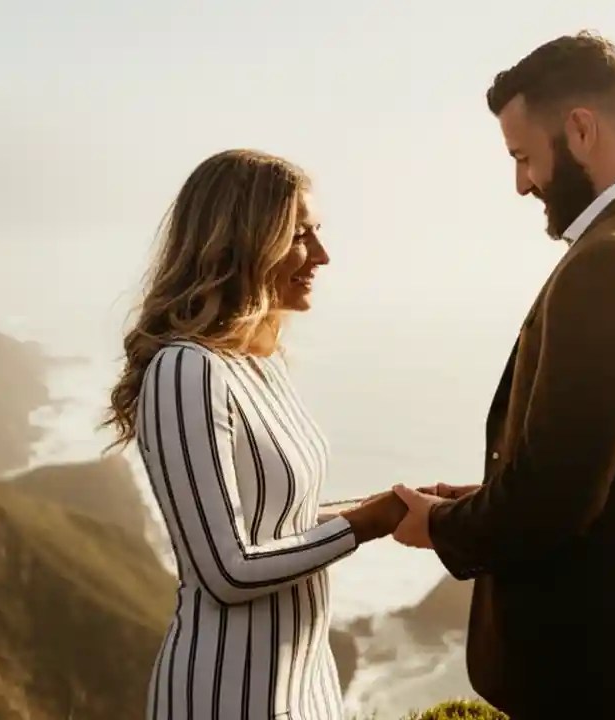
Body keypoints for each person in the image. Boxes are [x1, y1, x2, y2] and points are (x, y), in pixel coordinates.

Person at [391, 31, 615, 719]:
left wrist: (440, 525)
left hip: (595, 673)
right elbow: (607, 462)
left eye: (523, 157)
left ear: (580, 129)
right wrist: (486, 498)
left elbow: (555, 498)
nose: (522, 183)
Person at [101, 149, 405, 720]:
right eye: (300, 236)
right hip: (227, 698)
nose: (322, 256)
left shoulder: (259, 365)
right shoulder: (186, 370)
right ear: (243, 245)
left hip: (306, 690)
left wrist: (393, 506)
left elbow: (278, 524)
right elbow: (227, 570)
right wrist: (368, 523)